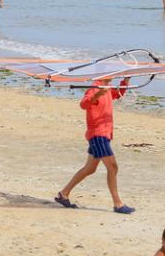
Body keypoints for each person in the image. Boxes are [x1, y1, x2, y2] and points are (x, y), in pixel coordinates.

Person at [55, 77, 134, 213]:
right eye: (111, 72)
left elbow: (119, 93)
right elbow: (83, 104)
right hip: (98, 135)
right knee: (113, 167)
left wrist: (126, 79)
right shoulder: (94, 88)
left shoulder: (108, 88)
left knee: (90, 168)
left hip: (104, 134)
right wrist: (97, 94)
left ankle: (64, 193)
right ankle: (118, 204)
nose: (114, 75)